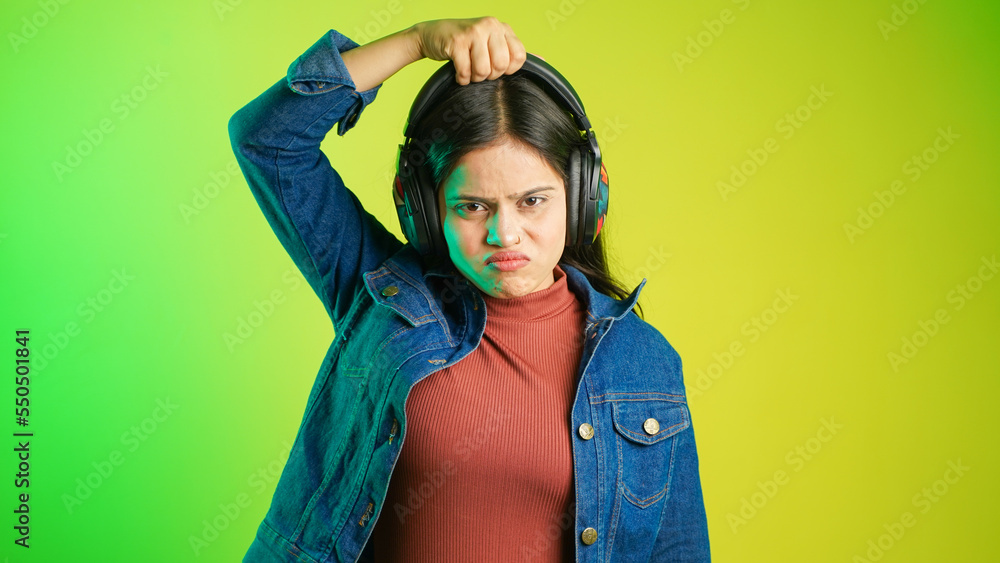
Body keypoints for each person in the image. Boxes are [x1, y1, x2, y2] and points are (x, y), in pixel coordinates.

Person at [229, 16, 710, 562]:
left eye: (533, 201)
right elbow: (268, 141)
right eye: (473, 206)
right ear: (426, 213)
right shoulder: (382, 296)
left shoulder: (644, 364)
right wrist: (416, 42)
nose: (505, 234)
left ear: (583, 199)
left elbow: (678, 551)